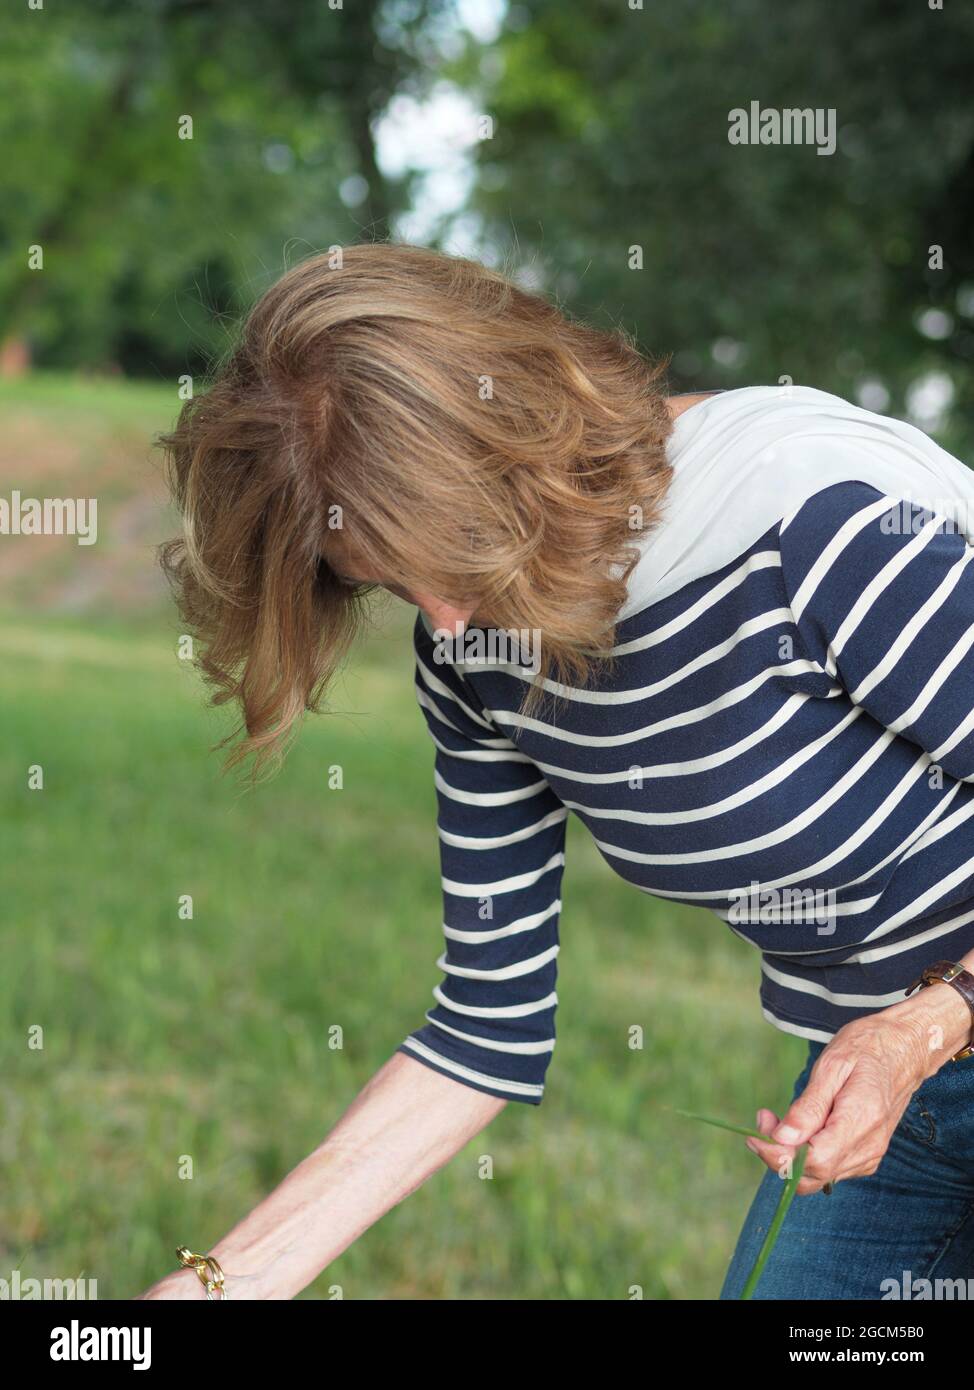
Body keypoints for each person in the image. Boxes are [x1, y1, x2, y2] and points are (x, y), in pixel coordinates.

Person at [142, 242, 974, 1300]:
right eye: (388, 581)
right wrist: (219, 1284)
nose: (443, 618)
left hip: (909, 1043)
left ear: (516, 440)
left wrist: (928, 1018)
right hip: (879, 1093)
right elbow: (483, 1027)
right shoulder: (467, 654)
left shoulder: (806, 520)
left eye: (450, 549)